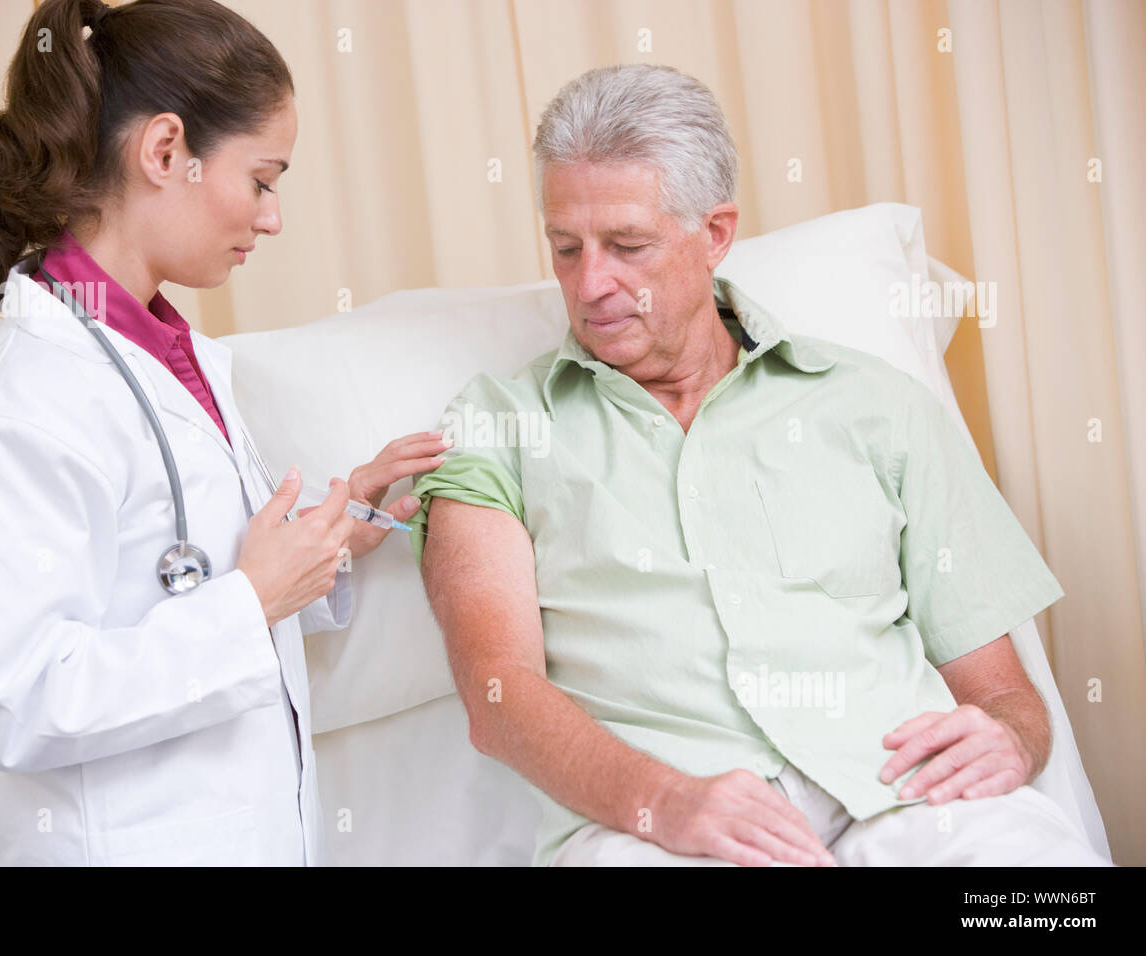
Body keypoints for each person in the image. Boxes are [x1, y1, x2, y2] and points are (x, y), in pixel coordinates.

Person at [409, 64, 1112, 866]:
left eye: (626, 246)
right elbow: (498, 696)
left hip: (904, 797)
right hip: (660, 829)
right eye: (565, 249)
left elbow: (1003, 694)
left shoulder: (877, 404)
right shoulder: (497, 426)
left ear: (713, 234)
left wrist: (1012, 743)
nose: (590, 283)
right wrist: (667, 803)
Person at [0, 0, 448, 865]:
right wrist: (252, 600)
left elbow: (180, 576)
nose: (273, 216)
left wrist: (324, 539)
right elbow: (19, 701)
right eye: (262, 178)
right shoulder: (31, 399)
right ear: (166, 151)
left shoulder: (177, 354)